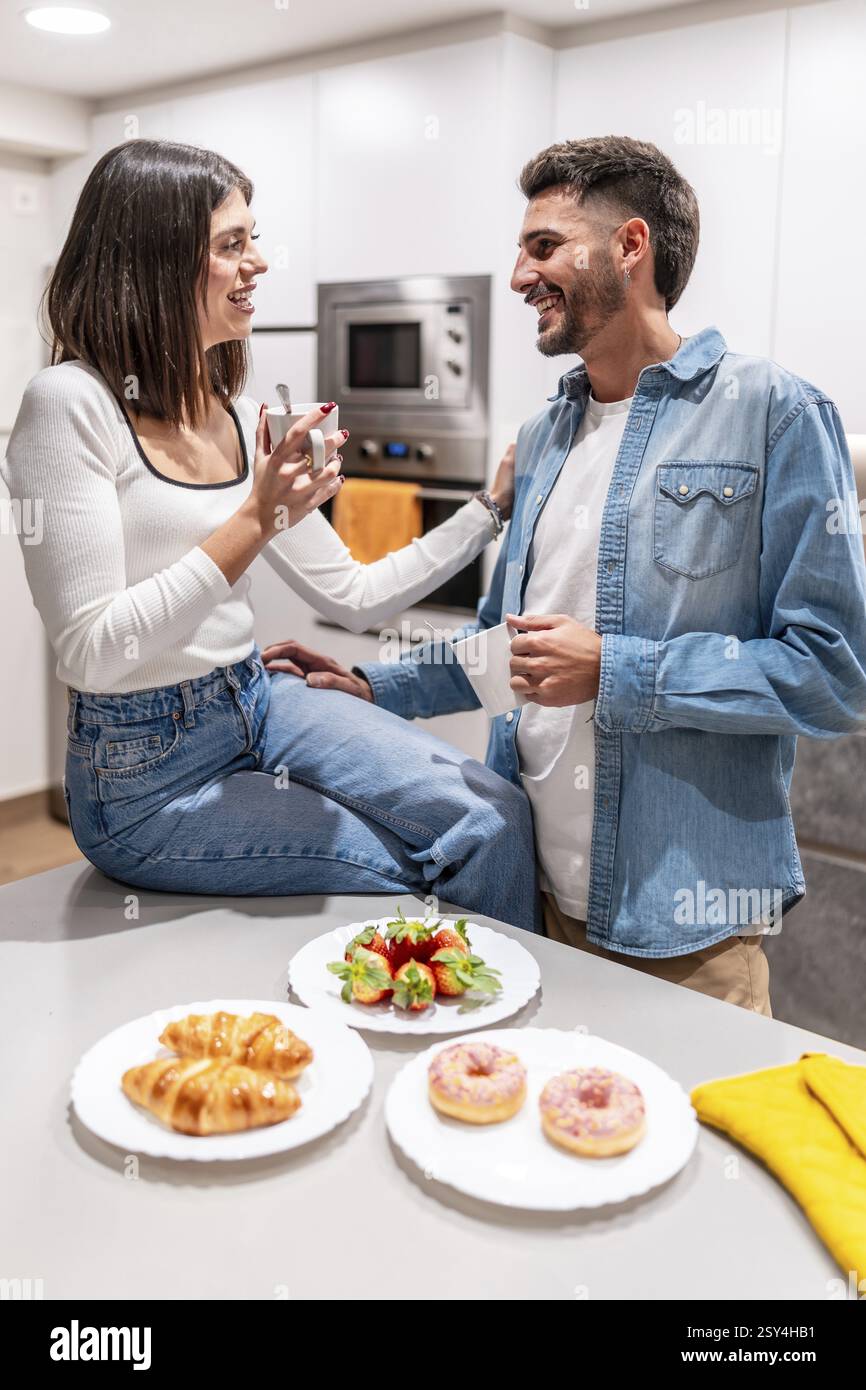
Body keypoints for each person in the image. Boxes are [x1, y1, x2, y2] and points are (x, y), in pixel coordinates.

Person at [262, 135, 866, 1014]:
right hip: (529, 899)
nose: (517, 277)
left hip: (684, 929)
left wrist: (615, 670)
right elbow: (510, 649)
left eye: (543, 247)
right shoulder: (545, 435)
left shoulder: (774, 414)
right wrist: (370, 685)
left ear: (630, 247)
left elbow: (835, 674)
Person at [2, 138, 538, 932]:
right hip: (146, 776)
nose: (259, 261)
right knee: (435, 862)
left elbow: (352, 595)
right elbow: (91, 650)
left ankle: (481, 1056)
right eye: (231, 244)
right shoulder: (67, 404)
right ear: (154, 261)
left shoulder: (223, 409)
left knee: (489, 818)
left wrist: (487, 509)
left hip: (255, 696)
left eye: (254, 237)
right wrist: (256, 519)